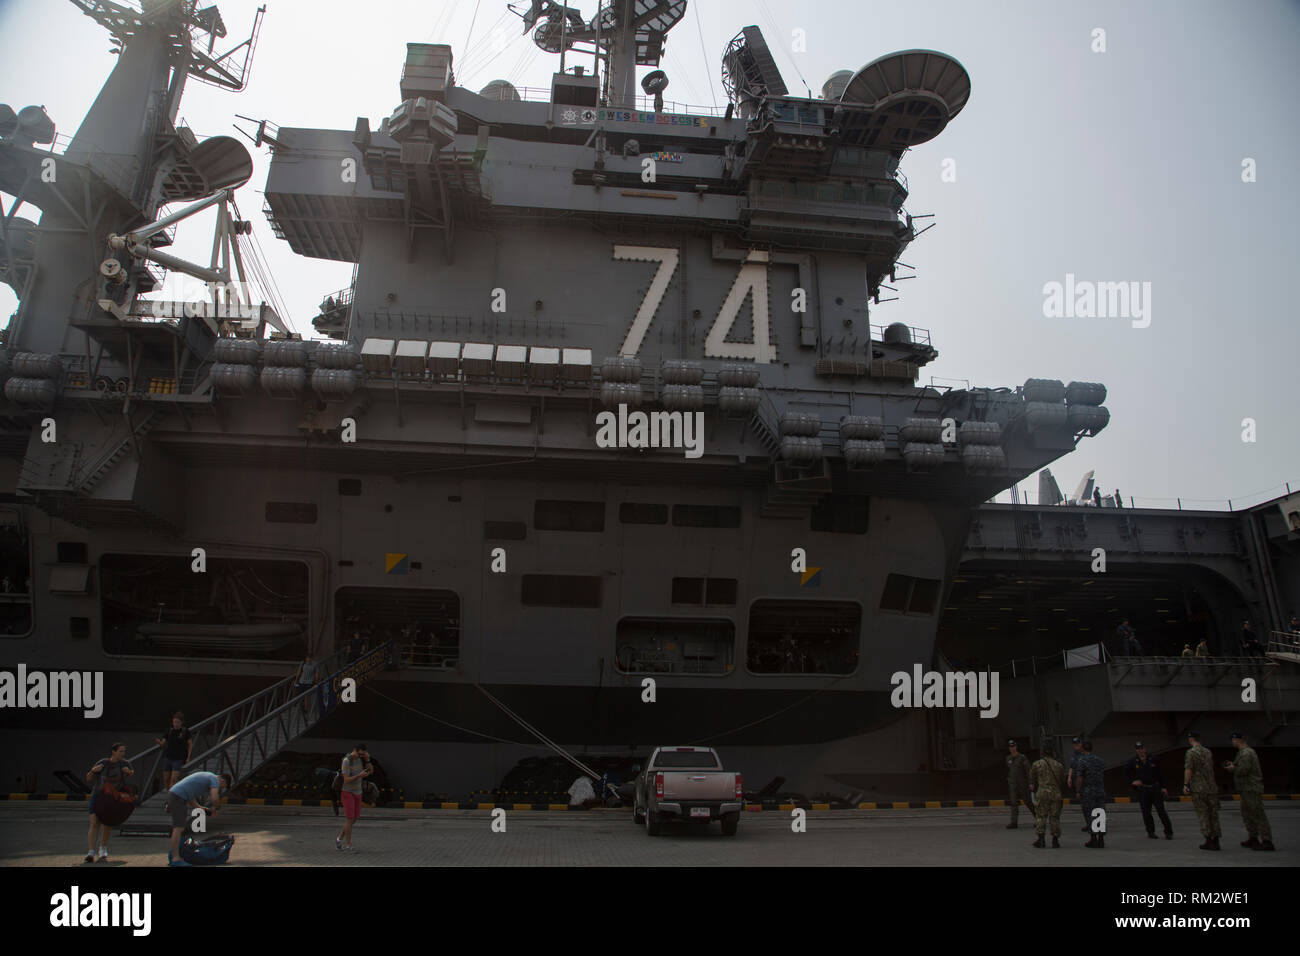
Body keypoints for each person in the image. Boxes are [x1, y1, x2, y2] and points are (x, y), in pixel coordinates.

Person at [166, 770, 231, 866]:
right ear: (222, 781)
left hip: (176, 796)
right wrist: (217, 808)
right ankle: (175, 859)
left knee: (179, 828)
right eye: (222, 787)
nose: (219, 788)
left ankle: (174, 855)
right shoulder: (214, 779)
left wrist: (200, 808)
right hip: (178, 797)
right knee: (178, 828)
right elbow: (214, 798)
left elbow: (190, 797)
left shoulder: (206, 777)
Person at [84, 743, 134, 863]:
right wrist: (92, 771)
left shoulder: (125, 763)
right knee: (94, 823)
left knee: (108, 823)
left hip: (113, 798)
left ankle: (103, 848)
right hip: (98, 796)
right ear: (113, 752)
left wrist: (129, 772)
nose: (123, 754)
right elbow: (88, 778)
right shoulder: (103, 763)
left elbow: (131, 774)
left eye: (124, 751)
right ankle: (91, 852)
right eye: (120, 751)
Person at [1225, 732, 1274, 851]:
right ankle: (1253, 837)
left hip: (1251, 788)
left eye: (1233, 740)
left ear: (1237, 740)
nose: (1232, 742)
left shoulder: (1247, 753)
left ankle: (1267, 841)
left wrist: (1232, 768)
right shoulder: (1242, 753)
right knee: (1247, 814)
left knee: (1257, 814)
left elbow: (1243, 770)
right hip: (1245, 788)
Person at [1124, 741, 1172, 839]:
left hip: (1155, 788)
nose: (1140, 750)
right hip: (1143, 789)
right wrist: (1132, 782)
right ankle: (1151, 832)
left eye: (1141, 748)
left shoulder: (1153, 759)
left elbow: (1160, 773)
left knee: (1161, 811)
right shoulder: (1133, 761)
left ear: (1145, 748)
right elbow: (1125, 772)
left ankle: (1168, 832)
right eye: (1138, 749)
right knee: (1146, 812)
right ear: (1136, 750)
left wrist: (1164, 787)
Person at [1182, 731, 1220, 851]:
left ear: (1190, 740)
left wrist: (1186, 784)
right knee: (1213, 814)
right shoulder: (1208, 752)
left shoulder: (1191, 752)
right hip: (1211, 787)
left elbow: (1188, 769)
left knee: (1203, 814)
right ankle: (1216, 840)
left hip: (1199, 788)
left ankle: (1208, 840)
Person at [1028, 744, 1068, 848]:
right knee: (1054, 817)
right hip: (1056, 794)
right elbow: (1063, 779)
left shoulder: (1037, 764)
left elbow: (1031, 778)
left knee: (1041, 816)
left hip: (1042, 793)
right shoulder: (1059, 765)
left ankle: (1041, 839)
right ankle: (1055, 840)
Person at [336, 744, 373, 851]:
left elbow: (371, 771)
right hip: (347, 792)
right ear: (354, 751)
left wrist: (367, 760)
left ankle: (339, 839)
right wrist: (359, 776)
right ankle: (348, 845)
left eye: (362, 754)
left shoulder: (361, 760)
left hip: (358, 791)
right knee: (350, 818)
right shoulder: (347, 761)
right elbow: (346, 780)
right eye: (359, 754)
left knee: (354, 818)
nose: (359, 756)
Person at [154, 712, 192, 800]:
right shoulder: (169, 730)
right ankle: (170, 794)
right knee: (166, 780)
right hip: (168, 757)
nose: (176, 724)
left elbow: (190, 744)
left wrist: (188, 757)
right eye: (174, 722)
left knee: (173, 779)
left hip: (179, 758)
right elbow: (163, 743)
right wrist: (159, 743)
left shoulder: (185, 731)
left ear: (181, 722)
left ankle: (172, 798)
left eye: (177, 722)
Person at [1078, 739, 1107, 847]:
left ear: (1083, 749)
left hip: (1088, 791)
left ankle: (1093, 838)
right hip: (1100, 790)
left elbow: (1080, 777)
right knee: (1100, 813)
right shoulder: (1099, 760)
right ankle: (1101, 839)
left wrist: (1078, 790)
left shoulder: (1082, 760)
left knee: (1090, 814)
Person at [1004, 739, 1030, 829]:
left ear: (1016, 747)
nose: (1012, 748)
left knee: (1028, 801)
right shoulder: (1008, 758)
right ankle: (1014, 822)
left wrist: (1030, 783)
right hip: (1013, 784)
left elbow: (1028, 771)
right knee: (1013, 803)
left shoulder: (1022, 758)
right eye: (1010, 747)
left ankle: (1038, 818)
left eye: (1013, 746)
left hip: (1022, 783)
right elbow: (1008, 771)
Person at [1066, 736, 1088, 832]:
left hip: (1085, 779)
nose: (1076, 746)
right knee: (1083, 803)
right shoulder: (1074, 755)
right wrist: (1069, 777)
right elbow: (1071, 766)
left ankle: (1093, 823)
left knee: (1088, 803)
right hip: (1077, 778)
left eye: (1078, 744)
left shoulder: (1085, 754)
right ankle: (1089, 822)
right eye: (1075, 744)